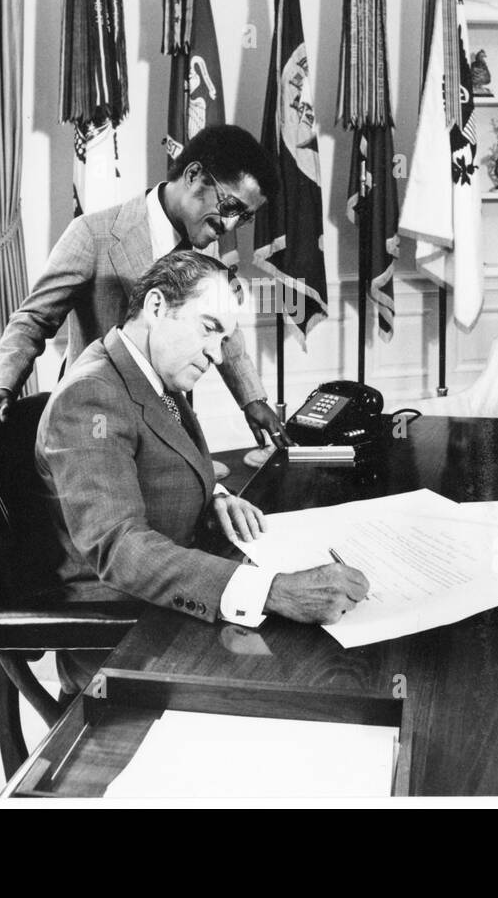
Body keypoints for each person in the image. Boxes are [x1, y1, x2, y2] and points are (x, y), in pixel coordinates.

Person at [35, 251, 368, 692]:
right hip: (125, 631)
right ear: (156, 307)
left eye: (224, 337)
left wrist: (212, 498)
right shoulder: (92, 395)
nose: (215, 354)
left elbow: (153, 467)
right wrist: (274, 591)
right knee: (321, 681)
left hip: (168, 600)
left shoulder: (148, 374)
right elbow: (119, 546)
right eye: (209, 328)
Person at [0, 124, 286, 448]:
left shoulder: (206, 243)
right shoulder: (92, 234)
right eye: (229, 206)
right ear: (193, 174)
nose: (229, 225)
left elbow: (224, 331)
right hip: (94, 427)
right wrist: (0, 388)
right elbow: (32, 321)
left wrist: (252, 399)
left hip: (165, 431)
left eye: (243, 216)